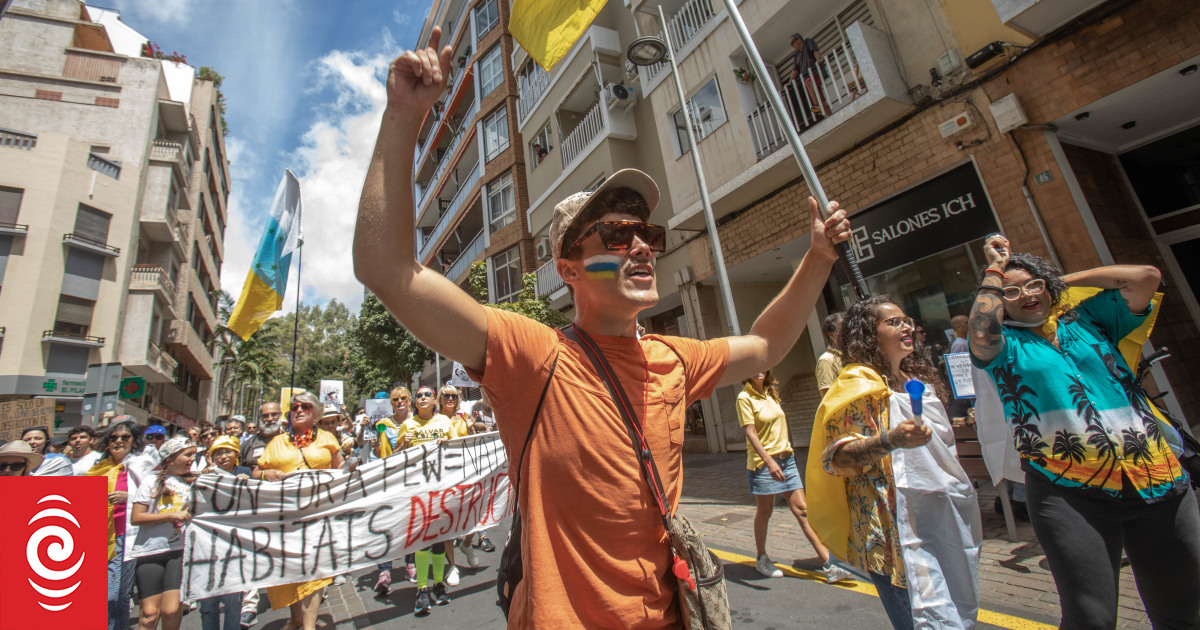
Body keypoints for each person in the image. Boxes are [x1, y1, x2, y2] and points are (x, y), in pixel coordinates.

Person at [352, 29, 851, 627]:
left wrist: (817, 259)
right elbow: (387, 271)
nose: (641, 247)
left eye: (648, 235)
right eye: (616, 235)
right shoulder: (533, 357)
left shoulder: (674, 358)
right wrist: (404, 116)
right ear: (570, 269)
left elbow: (766, 345)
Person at [968, 236, 1198, 628]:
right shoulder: (1005, 347)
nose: (1027, 295)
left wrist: (1061, 281)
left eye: (1034, 285)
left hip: (1157, 479)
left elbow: (1145, 277)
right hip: (1068, 492)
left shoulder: (1090, 320)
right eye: (1012, 292)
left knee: (1184, 612)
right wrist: (994, 270)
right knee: (1091, 619)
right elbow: (980, 330)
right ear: (1000, 302)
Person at [809, 296, 981, 629]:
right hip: (893, 534)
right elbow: (837, 458)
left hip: (942, 519)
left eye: (907, 320)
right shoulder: (857, 386)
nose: (907, 327)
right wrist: (891, 439)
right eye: (894, 322)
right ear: (868, 334)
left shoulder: (919, 383)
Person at [739, 369, 852, 583]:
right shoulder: (744, 397)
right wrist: (769, 462)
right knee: (765, 511)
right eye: (753, 366)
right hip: (763, 464)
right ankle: (761, 558)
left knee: (802, 510)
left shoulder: (771, 393)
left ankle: (828, 565)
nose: (759, 370)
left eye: (763, 365)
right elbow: (750, 433)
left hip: (786, 459)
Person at [253, 391, 343, 630]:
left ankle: (309, 625)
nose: (299, 410)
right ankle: (295, 619)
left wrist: (353, 465)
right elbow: (256, 472)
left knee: (315, 570)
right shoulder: (277, 442)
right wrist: (267, 474)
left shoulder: (327, 438)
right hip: (284, 518)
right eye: (294, 408)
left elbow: (340, 468)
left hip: (318, 515)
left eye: (305, 407)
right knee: (290, 570)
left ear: (315, 412)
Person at [393, 384, 463, 614]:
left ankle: (439, 585)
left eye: (427, 395)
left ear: (435, 401)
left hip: (441, 490)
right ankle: (422, 589)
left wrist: (447, 445)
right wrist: (404, 443)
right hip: (417, 491)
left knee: (439, 538)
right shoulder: (408, 425)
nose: (422, 397)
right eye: (419, 395)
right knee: (422, 539)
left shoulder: (444, 422)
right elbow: (394, 460)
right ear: (415, 402)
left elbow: (459, 450)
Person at [88, 418, 156, 630]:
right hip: (99, 535)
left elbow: (156, 495)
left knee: (115, 593)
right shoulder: (99, 467)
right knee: (102, 593)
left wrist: (129, 496)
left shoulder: (143, 463)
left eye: (125, 437)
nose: (118, 441)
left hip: (125, 537)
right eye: (113, 438)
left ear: (134, 440)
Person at [129, 436, 198, 630]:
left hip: (179, 552)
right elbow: (136, 517)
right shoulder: (150, 481)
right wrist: (171, 515)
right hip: (149, 552)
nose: (192, 459)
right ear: (171, 459)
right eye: (188, 455)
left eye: (193, 455)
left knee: (171, 610)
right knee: (149, 615)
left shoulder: (194, 483)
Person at [199, 436, 248, 630]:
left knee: (233, 602)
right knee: (208, 604)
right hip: (207, 545)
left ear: (236, 454)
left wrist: (247, 483)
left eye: (227, 452)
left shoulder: (245, 473)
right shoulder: (206, 476)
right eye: (218, 453)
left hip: (234, 546)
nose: (223, 457)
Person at [370, 386, 415, 592]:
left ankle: (411, 563)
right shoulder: (383, 425)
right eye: (395, 399)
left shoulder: (418, 422)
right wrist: (375, 446)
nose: (399, 402)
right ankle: (384, 570)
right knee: (387, 524)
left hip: (414, 479)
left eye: (403, 398)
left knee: (411, 523)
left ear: (409, 400)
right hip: (391, 479)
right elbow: (381, 454)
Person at [787, 32, 828, 122]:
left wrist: (819, 59)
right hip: (808, 79)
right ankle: (828, 115)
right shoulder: (796, 55)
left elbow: (815, 51)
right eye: (790, 44)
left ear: (799, 40)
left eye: (792, 42)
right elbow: (795, 70)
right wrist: (790, 82)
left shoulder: (808, 42)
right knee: (821, 98)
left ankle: (817, 106)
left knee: (808, 82)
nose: (792, 45)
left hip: (816, 73)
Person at [815, 311, 843, 396]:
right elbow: (827, 396)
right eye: (843, 329)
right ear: (831, 335)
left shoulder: (853, 355)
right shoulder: (826, 361)